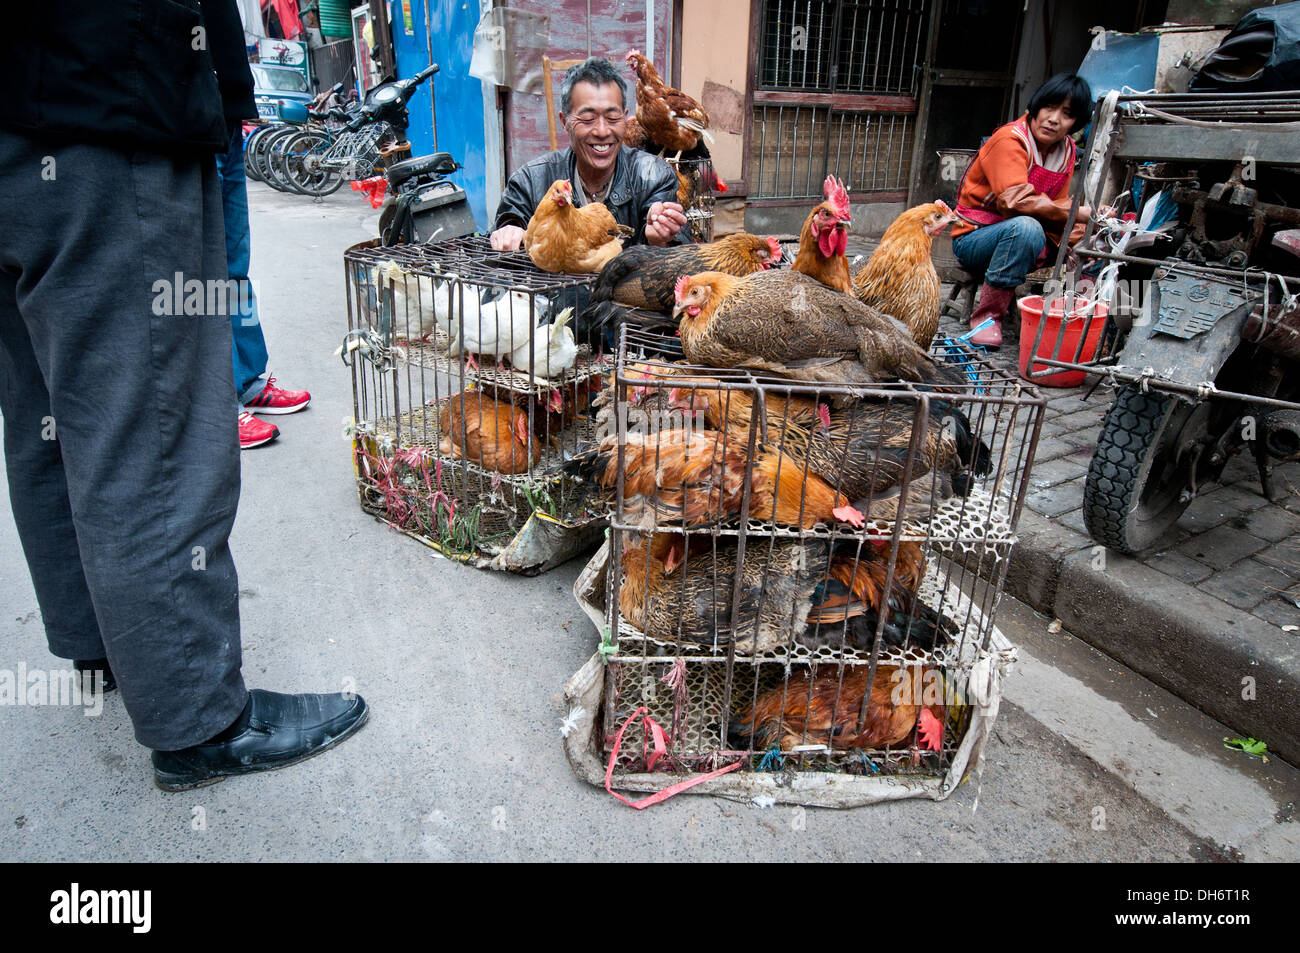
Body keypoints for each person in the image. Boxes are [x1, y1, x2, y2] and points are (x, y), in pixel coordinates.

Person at [0, 0, 367, 791]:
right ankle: (198, 716)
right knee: (150, 430)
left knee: (45, 413)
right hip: (103, 97)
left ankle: (98, 638)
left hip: (26, 108)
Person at [208, 2, 312, 450]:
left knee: (234, 263)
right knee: (200, 270)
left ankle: (247, 381)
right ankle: (214, 404)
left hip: (227, 116)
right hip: (185, 117)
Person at [951, 73, 1096, 348]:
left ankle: (1080, 317)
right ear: (1036, 107)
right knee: (1027, 229)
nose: (1054, 119)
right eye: (1049, 108)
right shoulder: (1010, 139)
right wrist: (1080, 213)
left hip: (1026, 237)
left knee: (1093, 238)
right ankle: (987, 318)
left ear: (1076, 123)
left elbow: (1056, 209)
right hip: (976, 237)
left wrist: (1083, 233)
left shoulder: (1067, 151)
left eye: (1066, 114)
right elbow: (1014, 202)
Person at [490, 57, 687, 251]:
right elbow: (507, 228)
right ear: (565, 123)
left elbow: (682, 259)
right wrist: (509, 232)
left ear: (625, 118)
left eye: (612, 117)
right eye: (587, 119)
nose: (602, 131)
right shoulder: (530, 182)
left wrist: (658, 240)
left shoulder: (654, 177)